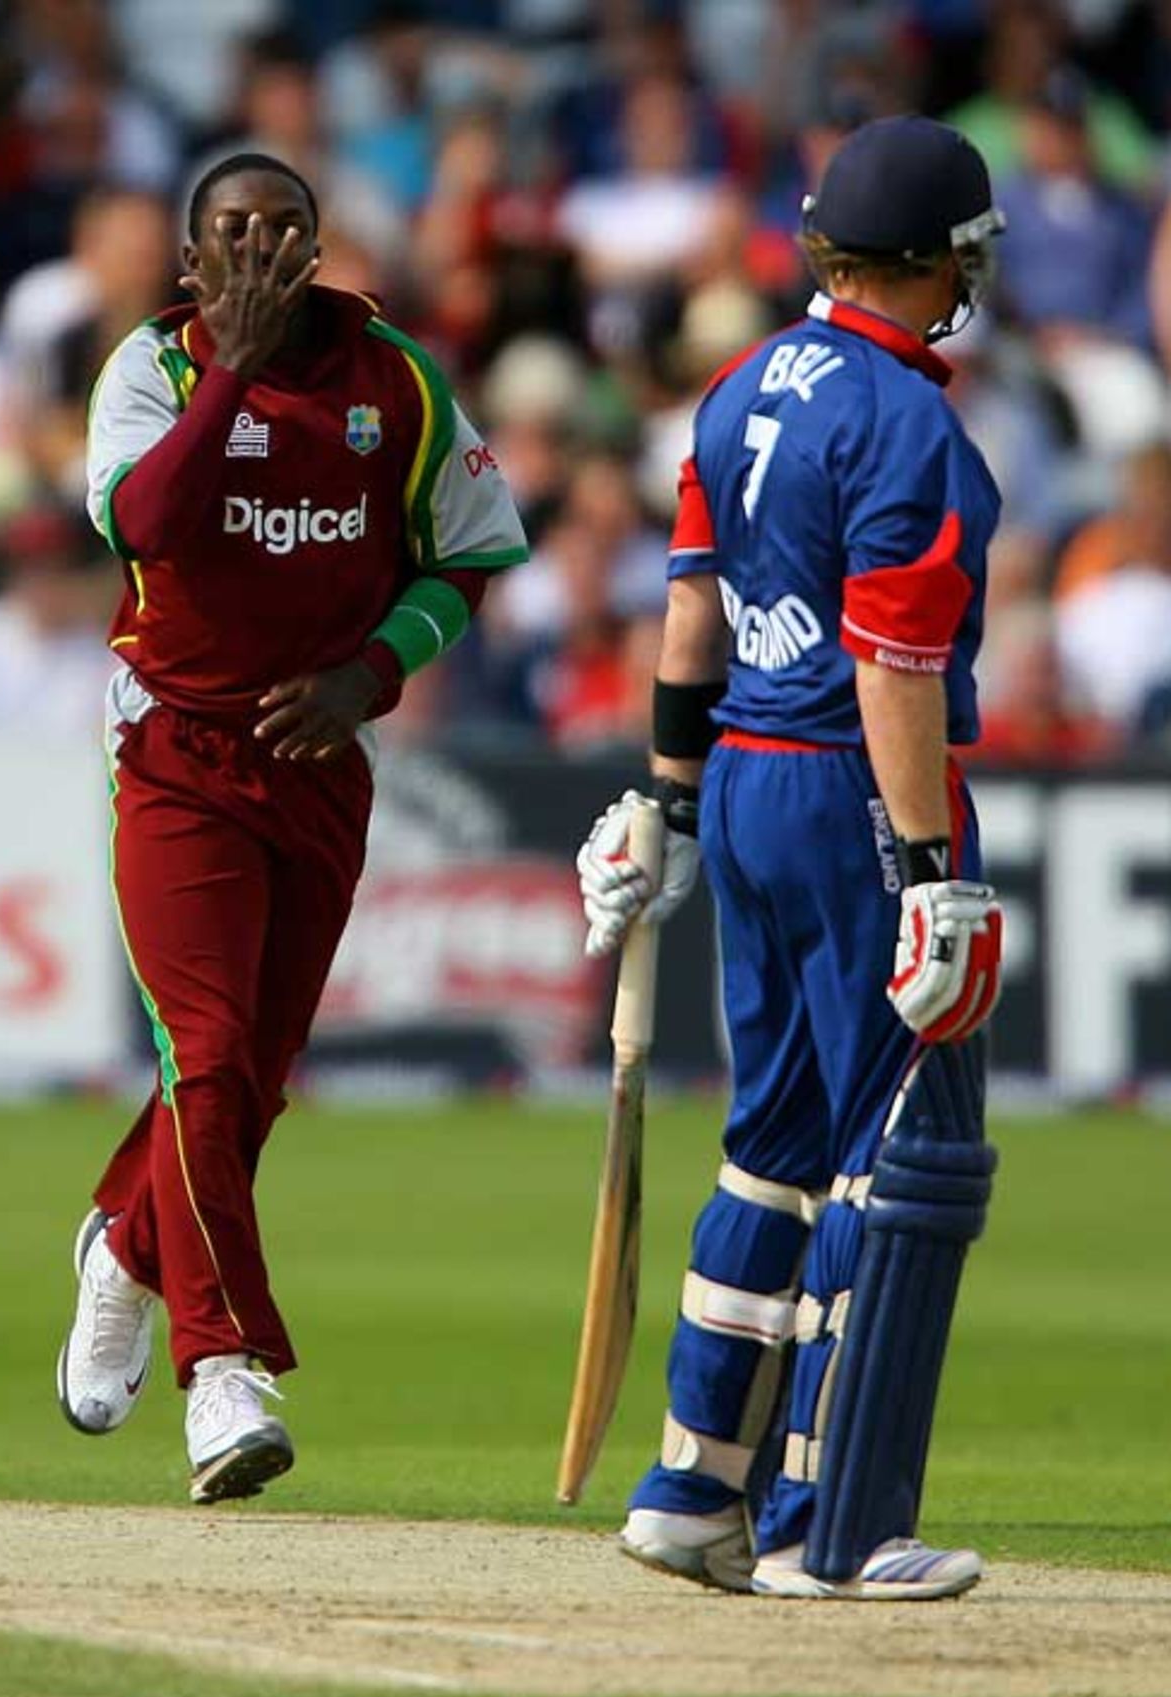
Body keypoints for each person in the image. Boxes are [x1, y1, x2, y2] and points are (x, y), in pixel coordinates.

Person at [56, 151, 528, 1504]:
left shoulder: (400, 382)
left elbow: (471, 558)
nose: (259, 252)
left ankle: (128, 1248)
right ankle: (224, 1367)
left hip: (319, 754)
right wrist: (234, 377)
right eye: (231, 237)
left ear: (319, 246)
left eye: (285, 232)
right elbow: (141, 521)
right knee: (202, 1049)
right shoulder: (151, 370)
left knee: (252, 1075)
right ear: (194, 263)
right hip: (175, 747)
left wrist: (368, 676)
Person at [576, 115, 1006, 1600]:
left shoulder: (739, 384)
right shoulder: (907, 424)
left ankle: (697, 1482)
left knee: (771, 1148)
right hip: (849, 786)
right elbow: (895, 663)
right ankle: (832, 1527)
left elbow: (688, 624)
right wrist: (926, 862)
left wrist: (667, 801)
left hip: (749, 777)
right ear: (935, 261)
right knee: (902, 1156)